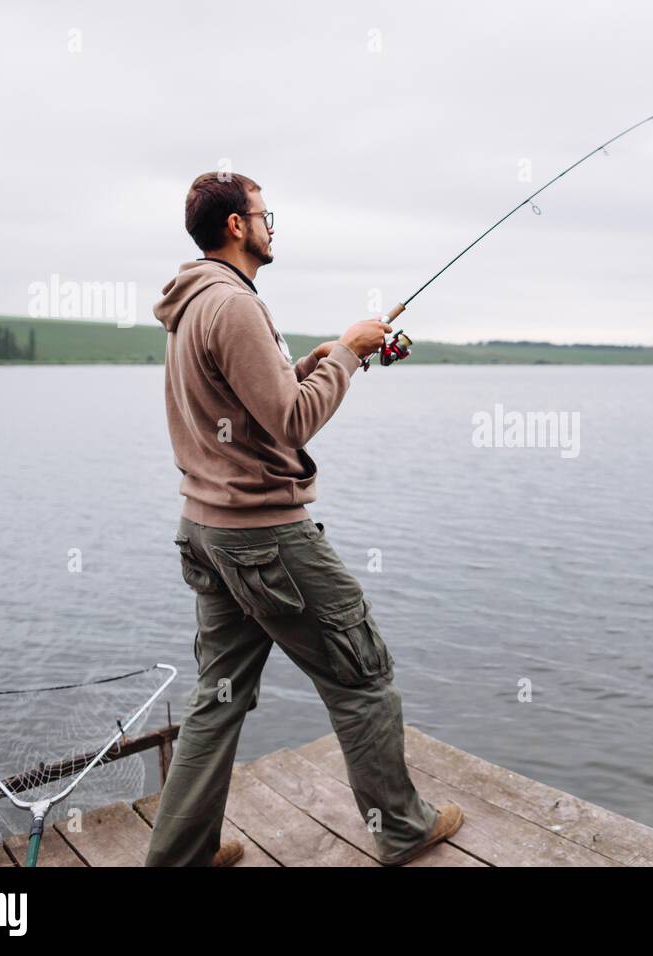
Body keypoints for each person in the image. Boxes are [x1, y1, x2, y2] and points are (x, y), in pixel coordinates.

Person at [145, 171, 462, 867]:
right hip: (262, 538)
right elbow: (290, 423)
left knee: (216, 699)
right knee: (363, 676)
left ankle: (179, 859)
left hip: (208, 530)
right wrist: (349, 353)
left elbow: (255, 400)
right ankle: (404, 828)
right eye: (265, 215)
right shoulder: (233, 305)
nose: (271, 226)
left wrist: (319, 358)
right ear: (236, 225)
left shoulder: (198, 301)